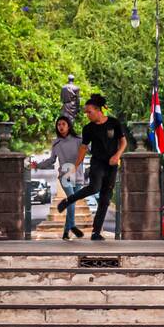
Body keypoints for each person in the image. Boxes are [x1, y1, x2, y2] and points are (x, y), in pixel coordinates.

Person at [57, 93, 127, 240]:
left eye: (89, 112)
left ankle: (96, 233)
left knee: (105, 199)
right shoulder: (88, 128)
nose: (87, 115)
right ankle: (69, 200)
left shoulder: (114, 123)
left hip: (112, 165)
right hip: (97, 163)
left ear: (98, 110)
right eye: (86, 112)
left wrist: (117, 155)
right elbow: (83, 148)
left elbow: (123, 142)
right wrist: (75, 166)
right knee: (94, 187)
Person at [34, 115, 84, 240]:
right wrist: (37, 165)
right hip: (64, 176)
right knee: (71, 200)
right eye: (59, 124)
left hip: (78, 176)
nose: (61, 127)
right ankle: (72, 226)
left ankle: (66, 232)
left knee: (71, 203)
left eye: (63, 124)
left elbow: (89, 151)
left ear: (68, 126)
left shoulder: (79, 140)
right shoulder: (56, 143)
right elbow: (51, 160)